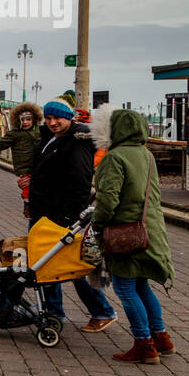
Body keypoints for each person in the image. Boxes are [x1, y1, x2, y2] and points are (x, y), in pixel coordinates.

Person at [91, 107, 175, 364]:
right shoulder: (146, 155)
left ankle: (144, 345)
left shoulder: (114, 158)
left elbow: (108, 199)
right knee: (142, 285)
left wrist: (98, 224)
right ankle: (162, 338)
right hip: (150, 231)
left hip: (125, 234)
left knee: (125, 288)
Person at [28, 96, 119, 331]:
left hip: (59, 218)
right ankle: (57, 313)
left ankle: (97, 311)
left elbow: (80, 184)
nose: (52, 122)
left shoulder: (76, 143)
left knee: (63, 265)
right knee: (49, 265)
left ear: (68, 117)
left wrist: (68, 220)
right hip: (46, 214)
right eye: (48, 118)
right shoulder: (55, 138)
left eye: (57, 117)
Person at [0, 101, 42, 218]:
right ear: (18, 121)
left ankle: (34, 210)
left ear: (34, 120)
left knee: (37, 190)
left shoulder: (40, 132)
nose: (25, 122)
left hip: (39, 167)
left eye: (28, 120)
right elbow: (1, 143)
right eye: (23, 120)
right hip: (25, 168)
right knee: (27, 190)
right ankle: (28, 209)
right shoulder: (15, 134)